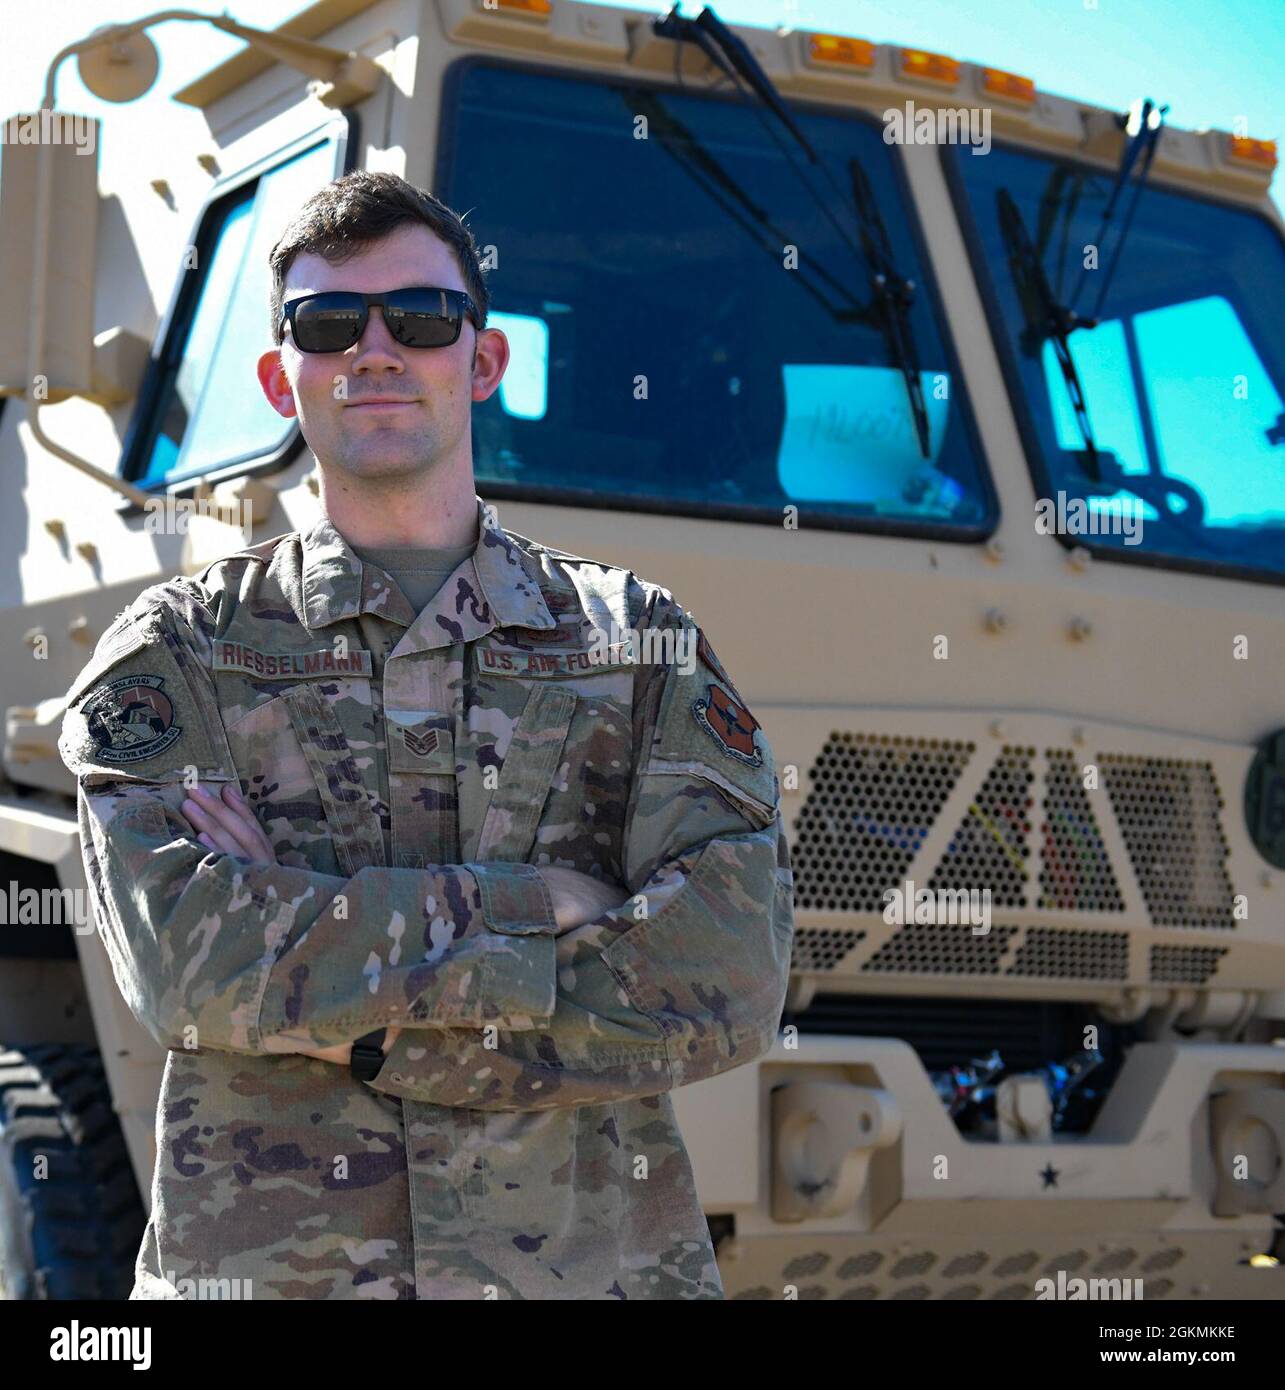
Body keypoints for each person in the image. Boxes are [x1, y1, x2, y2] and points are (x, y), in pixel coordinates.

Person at [59, 170, 794, 1300]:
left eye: (422, 316)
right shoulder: (179, 652)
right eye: (328, 322)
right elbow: (185, 965)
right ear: (280, 376)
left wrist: (341, 1016)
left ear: (482, 359)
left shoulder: (635, 642)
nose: (377, 348)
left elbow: (726, 975)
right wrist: (538, 906)